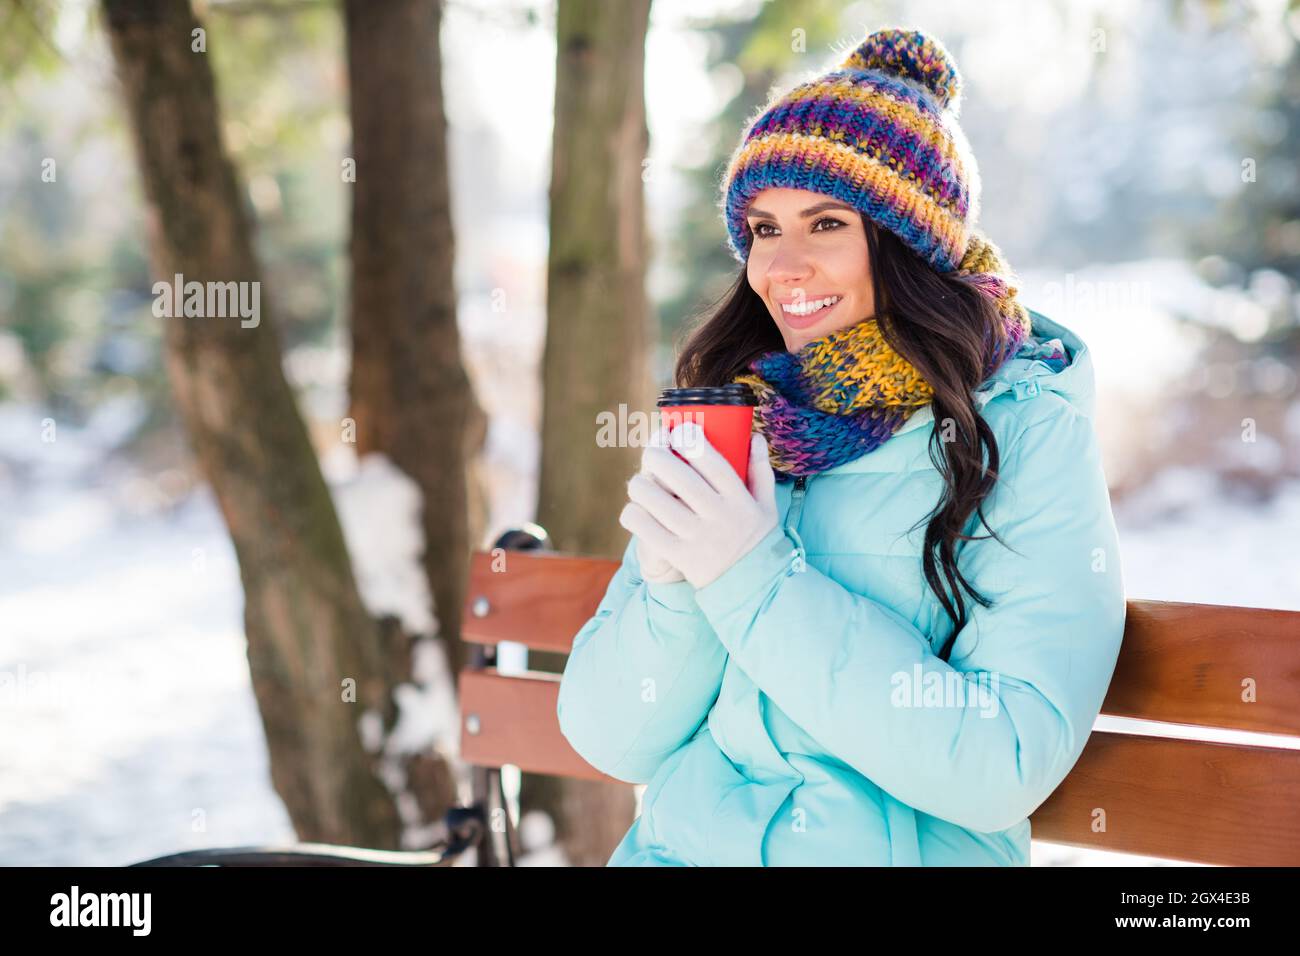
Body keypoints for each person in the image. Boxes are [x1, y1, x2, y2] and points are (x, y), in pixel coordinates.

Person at [556, 25, 1126, 866]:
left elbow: (1002, 763)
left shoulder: (1022, 430)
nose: (779, 266)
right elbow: (612, 740)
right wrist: (676, 587)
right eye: (760, 228)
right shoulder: (748, 416)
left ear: (909, 244)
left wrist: (750, 577)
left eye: (824, 223)